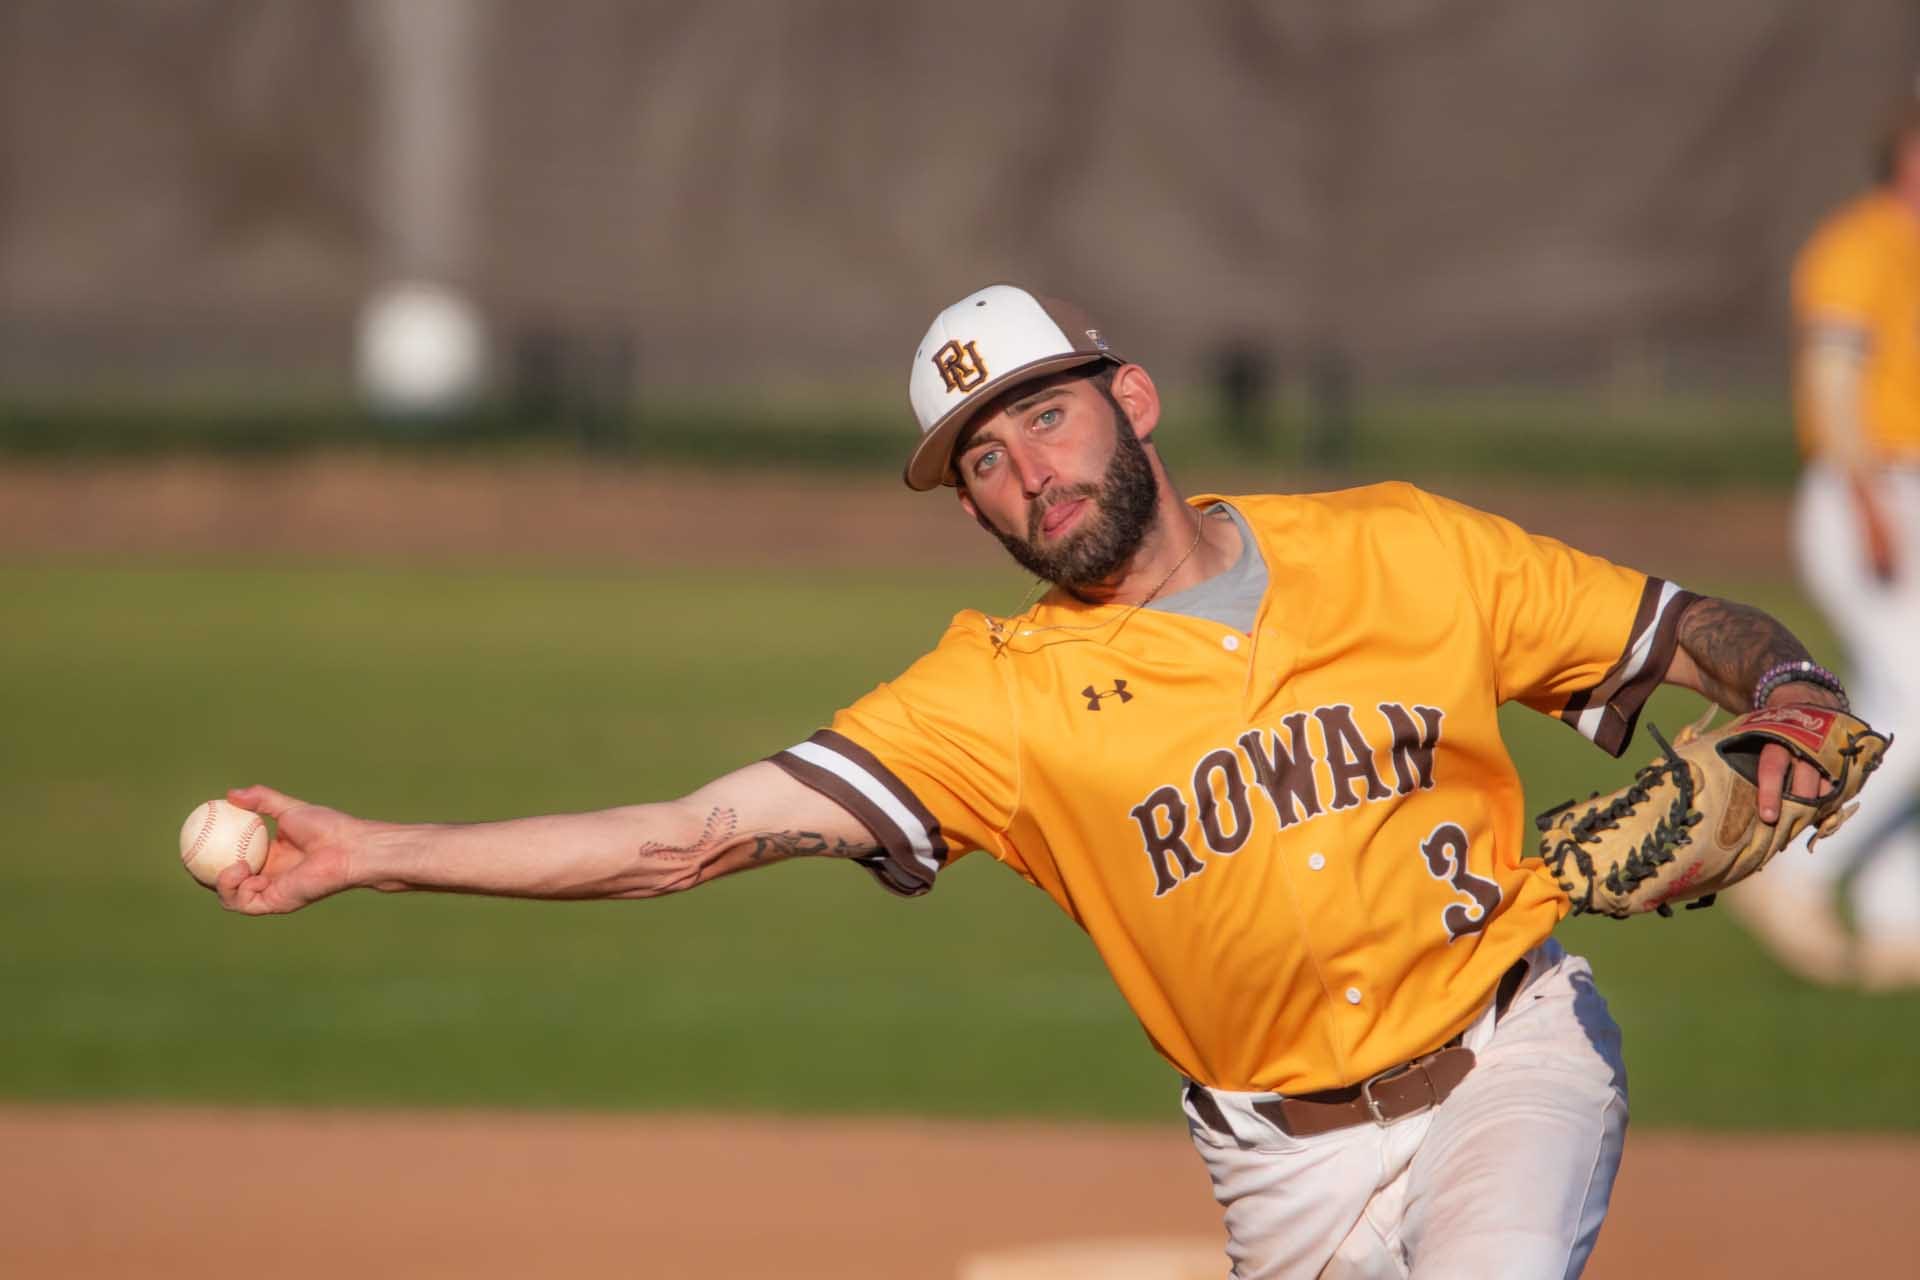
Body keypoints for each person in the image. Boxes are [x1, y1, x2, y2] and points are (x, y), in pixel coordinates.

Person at [217, 284, 1847, 1279]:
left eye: (1043, 420)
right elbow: (689, 837)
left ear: (1129, 402)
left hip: (1512, 1062)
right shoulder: (990, 700)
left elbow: (1672, 622)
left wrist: (1783, 688)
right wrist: (372, 850)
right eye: (980, 463)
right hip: (1281, 1173)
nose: (1025, 474)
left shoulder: (1404, 549)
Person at [1728, 100, 1920, 990]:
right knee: (1917, 697)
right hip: (1868, 488)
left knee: (1896, 692)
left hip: (1901, 488)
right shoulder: (1857, 243)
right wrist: (1868, 499)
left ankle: (1895, 916)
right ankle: (1795, 870)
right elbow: (1833, 383)